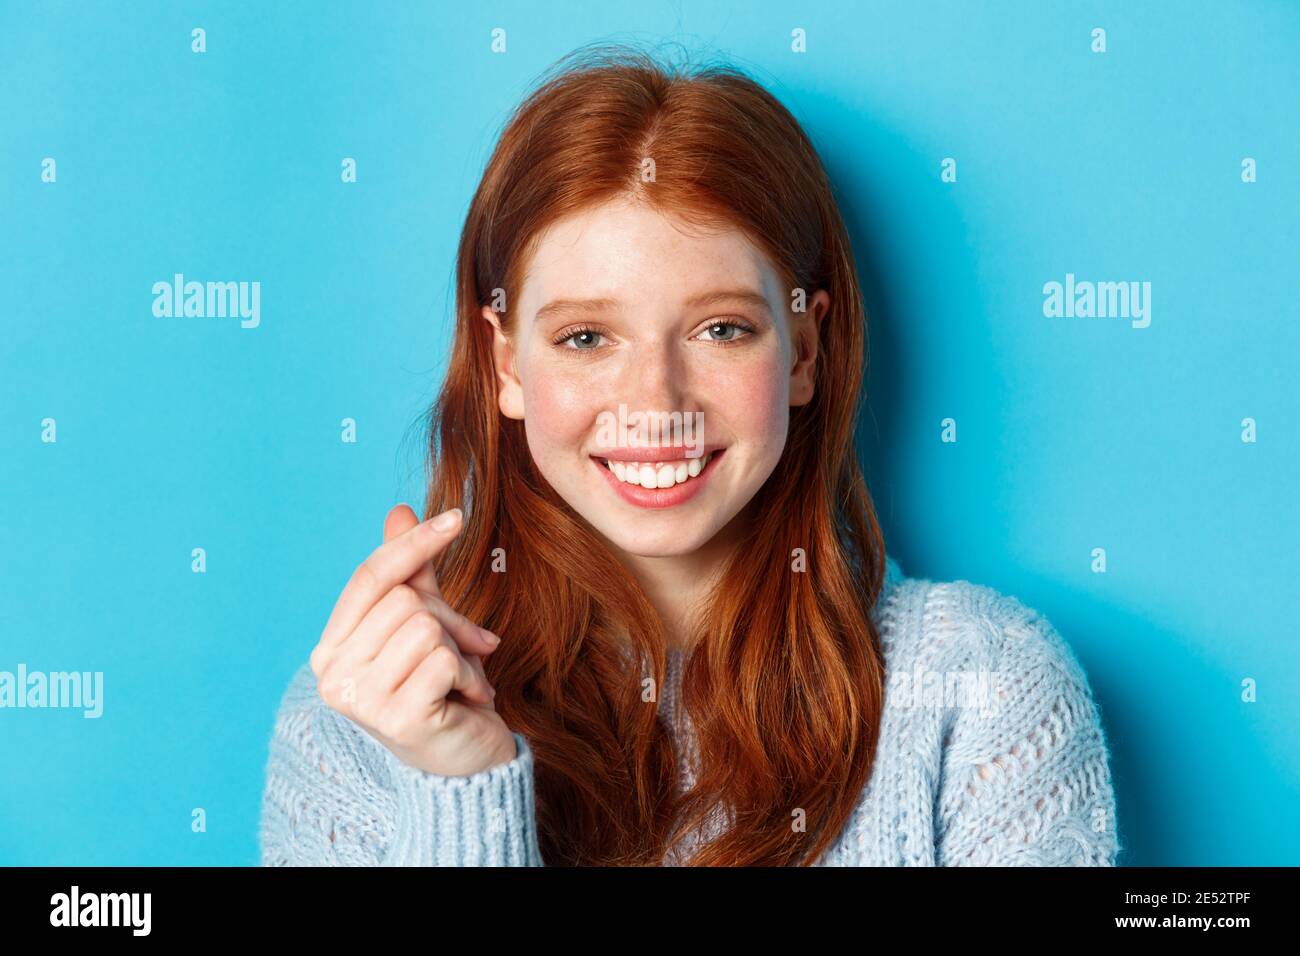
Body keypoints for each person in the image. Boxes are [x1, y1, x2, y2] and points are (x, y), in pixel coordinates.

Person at [259, 43, 1119, 867]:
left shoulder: (985, 688)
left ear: (805, 353)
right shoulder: (360, 719)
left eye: (721, 329)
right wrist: (458, 790)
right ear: (507, 364)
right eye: (586, 336)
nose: (655, 405)